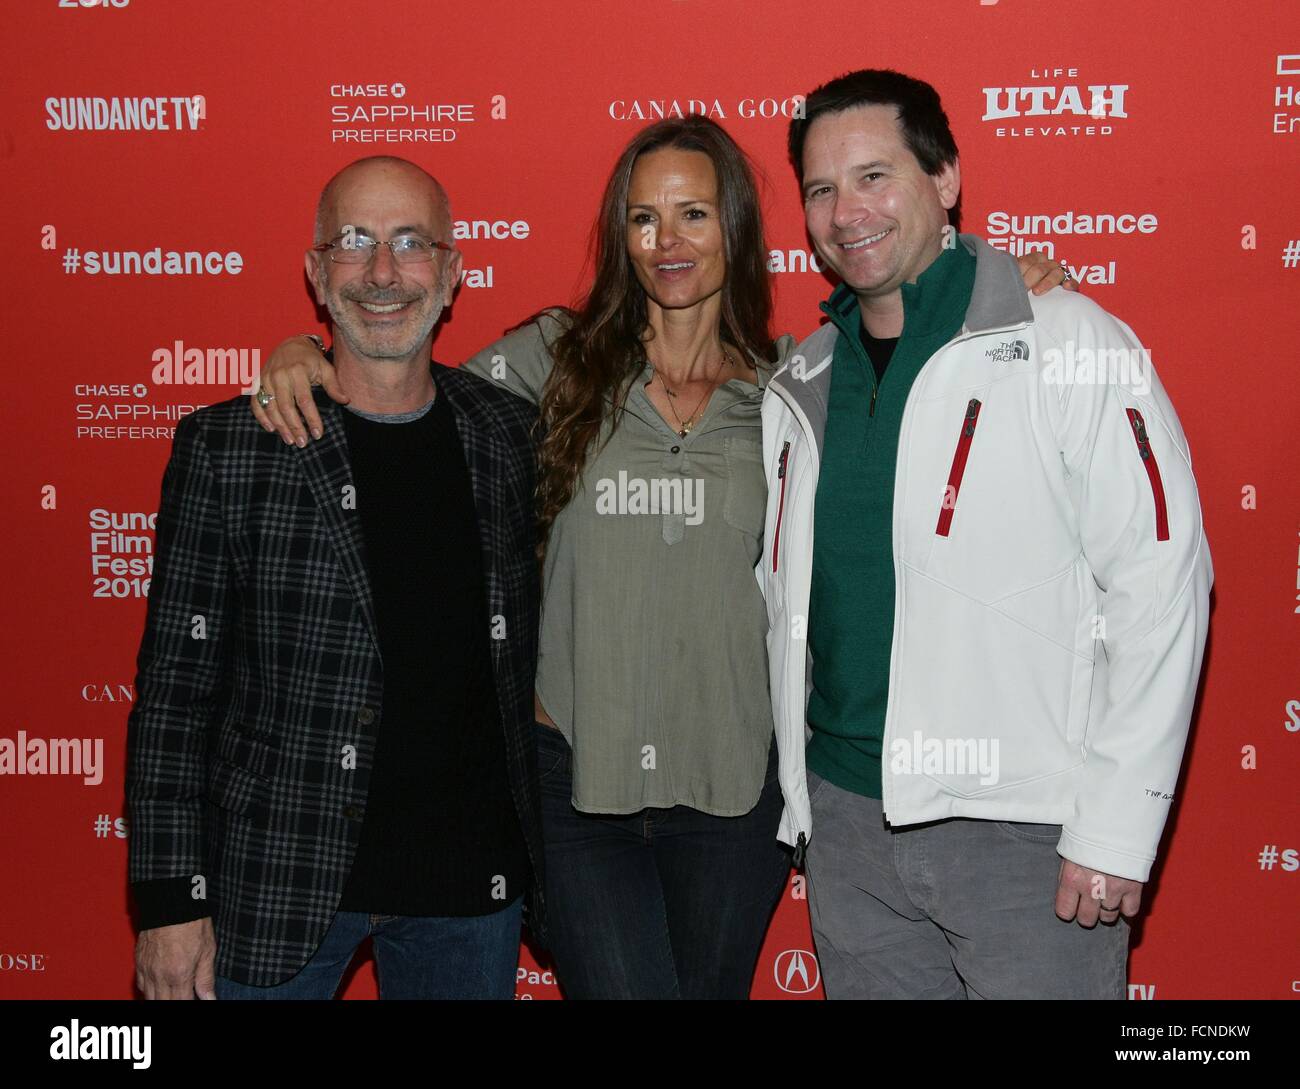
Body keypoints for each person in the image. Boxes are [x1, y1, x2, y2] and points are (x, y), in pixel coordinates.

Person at [252, 117, 1068, 999]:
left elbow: (919, 368)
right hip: (577, 791)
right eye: (643, 219)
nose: (666, 242)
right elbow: (406, 388)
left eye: (693, 215)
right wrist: (306, 351)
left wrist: (991, 288)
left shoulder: (793, 386)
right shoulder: (556, 360)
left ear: (737, 229)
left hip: (732, 797)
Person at [760, 69, 1212, 999]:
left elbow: (1161, 582)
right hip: (848, 826)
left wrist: (1117, 829)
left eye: (875, 176)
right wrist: (813, 811)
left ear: (947, 179)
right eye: (820, 189)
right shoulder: (797, 384)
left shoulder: (1071, 340)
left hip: (1026, 839)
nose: (847, 211)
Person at [127, 156, 544, 999]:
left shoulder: (511, 436)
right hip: (274, 882)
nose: (383, 273)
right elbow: (175, 693)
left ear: (454, 272)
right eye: (354, 242)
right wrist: (171, 901)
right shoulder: (227, 446)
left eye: (410, 243)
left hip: (468, 890)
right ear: (317, 273)